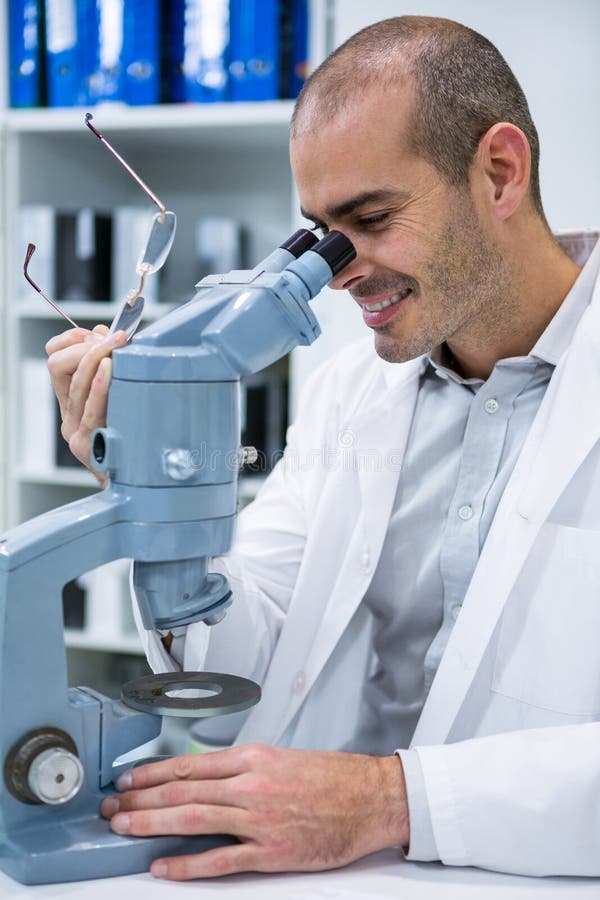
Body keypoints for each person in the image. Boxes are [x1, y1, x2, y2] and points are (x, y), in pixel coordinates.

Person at [46, 15, 600, 882]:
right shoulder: (350, 393)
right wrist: (154, 495)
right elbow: (248, 658)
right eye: (316, 234)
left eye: (369, 219)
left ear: (499, 172)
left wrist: (391, 800)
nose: (337, 273)